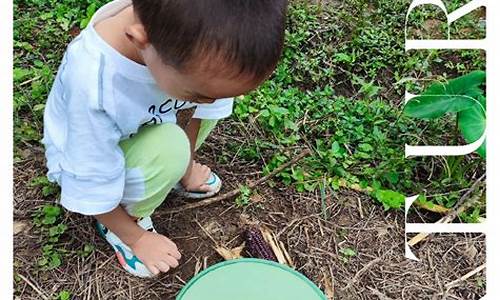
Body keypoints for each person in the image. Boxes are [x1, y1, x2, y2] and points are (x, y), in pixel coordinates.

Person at [42, 0, 288, 277]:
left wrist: (187, 165)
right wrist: (137, 238)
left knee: (190, 126)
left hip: (147, 123)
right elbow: (89, 174)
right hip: (86, 153)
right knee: (171, 146)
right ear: (139, 40)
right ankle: (125, 222)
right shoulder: (93, 84)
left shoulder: (171, 35)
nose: (209, 101)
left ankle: (179, 165)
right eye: (197, 94)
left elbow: (191, 109)